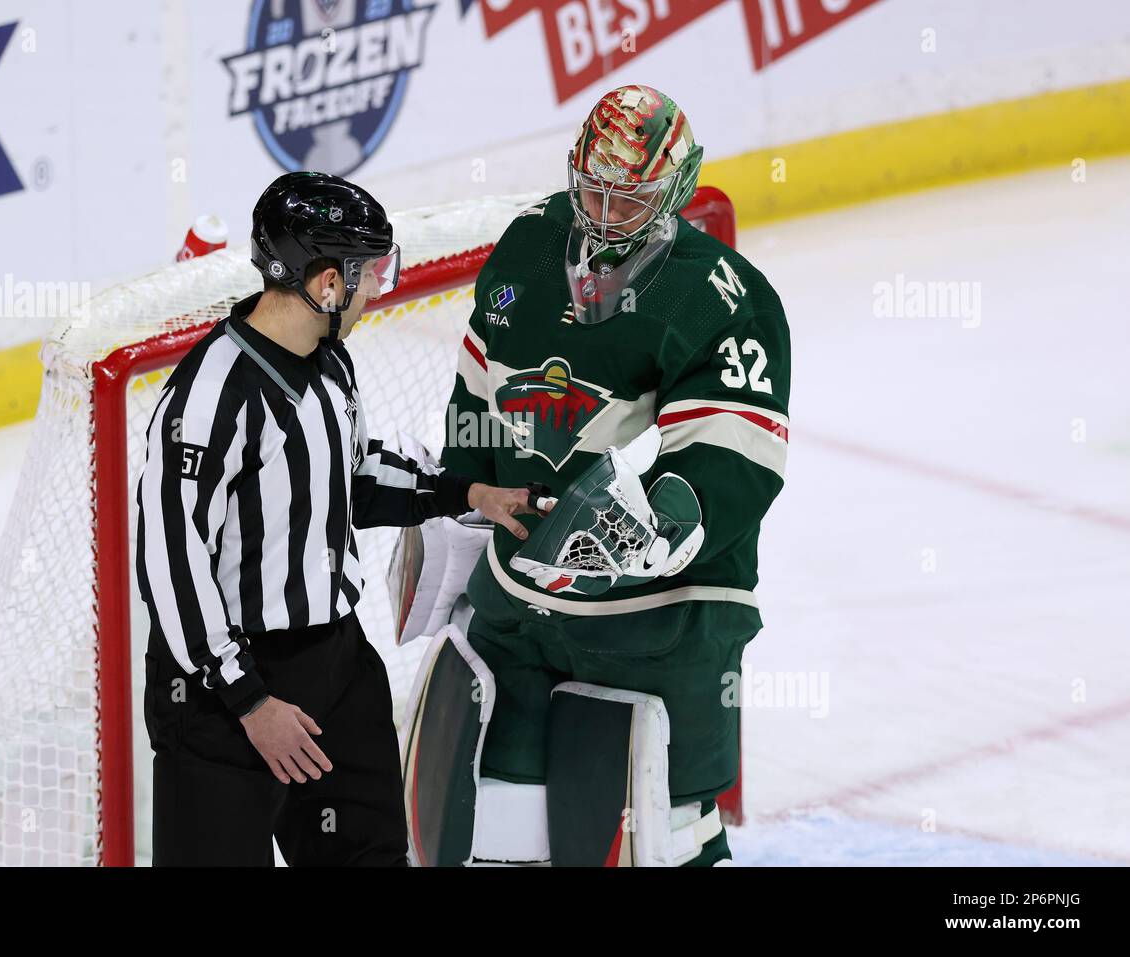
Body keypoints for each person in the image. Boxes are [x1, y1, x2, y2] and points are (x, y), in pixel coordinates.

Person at [136, 171, 541, 866]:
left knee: (369, 856)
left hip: (335, 668)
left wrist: (469, 493)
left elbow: (349, 480)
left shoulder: (329, 363)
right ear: (327, 282)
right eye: (369, 273)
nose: (379, 288)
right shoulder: (207, 398)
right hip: (220, 697)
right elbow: (171, 564)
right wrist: (250, 703)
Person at [435, 84, 791, 865]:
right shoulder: (528, 247)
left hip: (660, 620)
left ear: (675, 189)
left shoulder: (721, 297)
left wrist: (666, 520)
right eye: (591, 189)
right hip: (523, 602)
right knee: (494, 828)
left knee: (655, 836)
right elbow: (478, 390)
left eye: (628, 199)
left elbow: (733, 448)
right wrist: (457, 506)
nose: (602, 213)